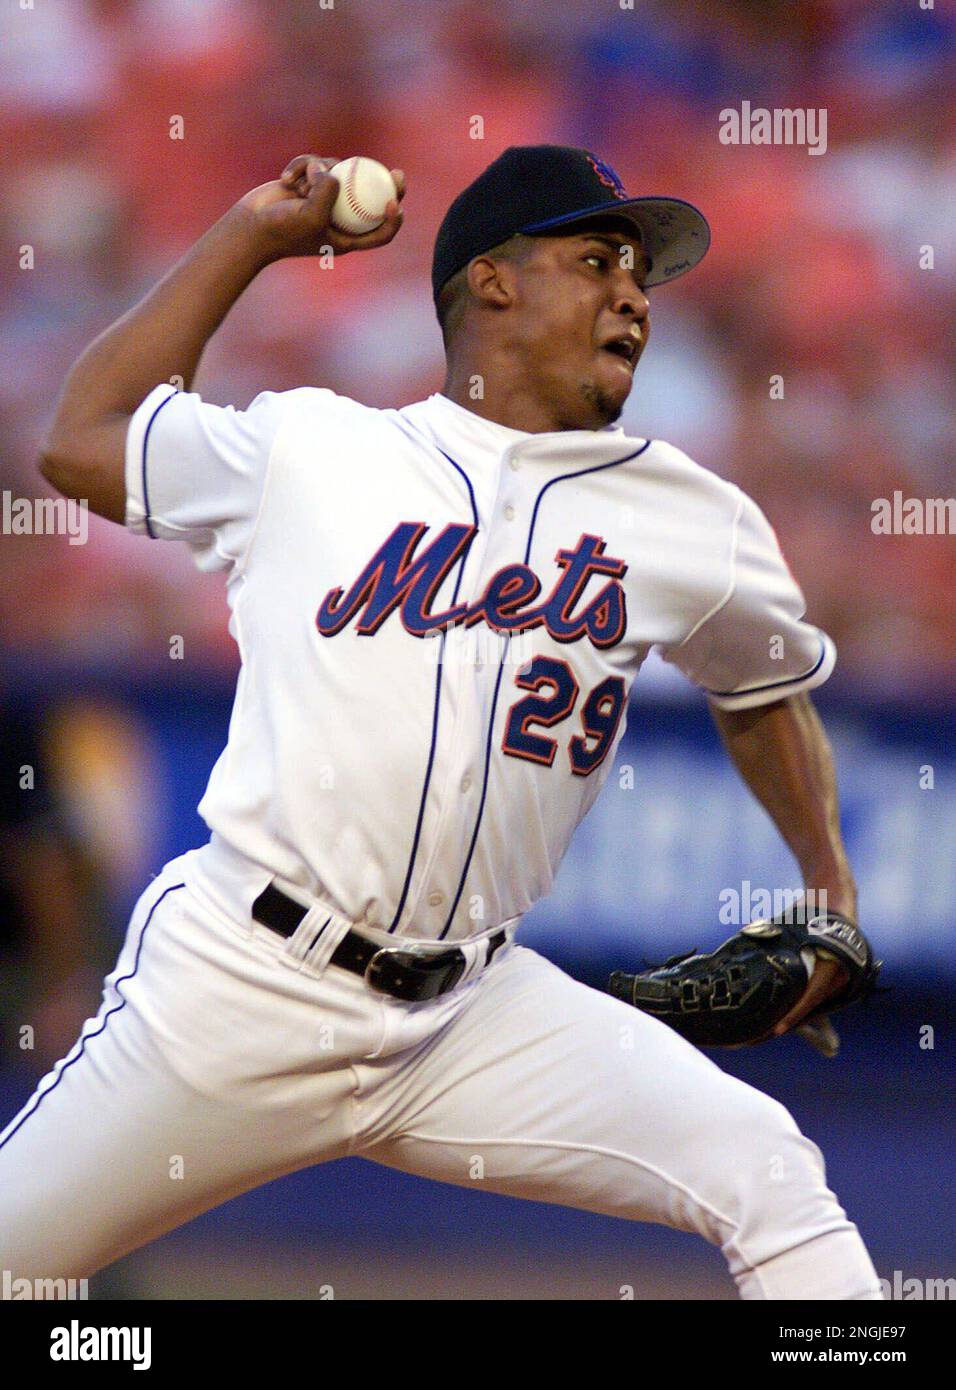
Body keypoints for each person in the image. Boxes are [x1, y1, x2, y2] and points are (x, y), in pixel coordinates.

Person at [2, 145, 882, 1299]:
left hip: (472, 1010)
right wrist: (254, 235)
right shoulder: (315, 449)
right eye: (596, 258)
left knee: (766, 1170)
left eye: (639, 274)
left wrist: (827, 891)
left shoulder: (690, 516)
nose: (631, 294)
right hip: (245, 981)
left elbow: (760, 687)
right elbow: (83, 438)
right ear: (491, 282)